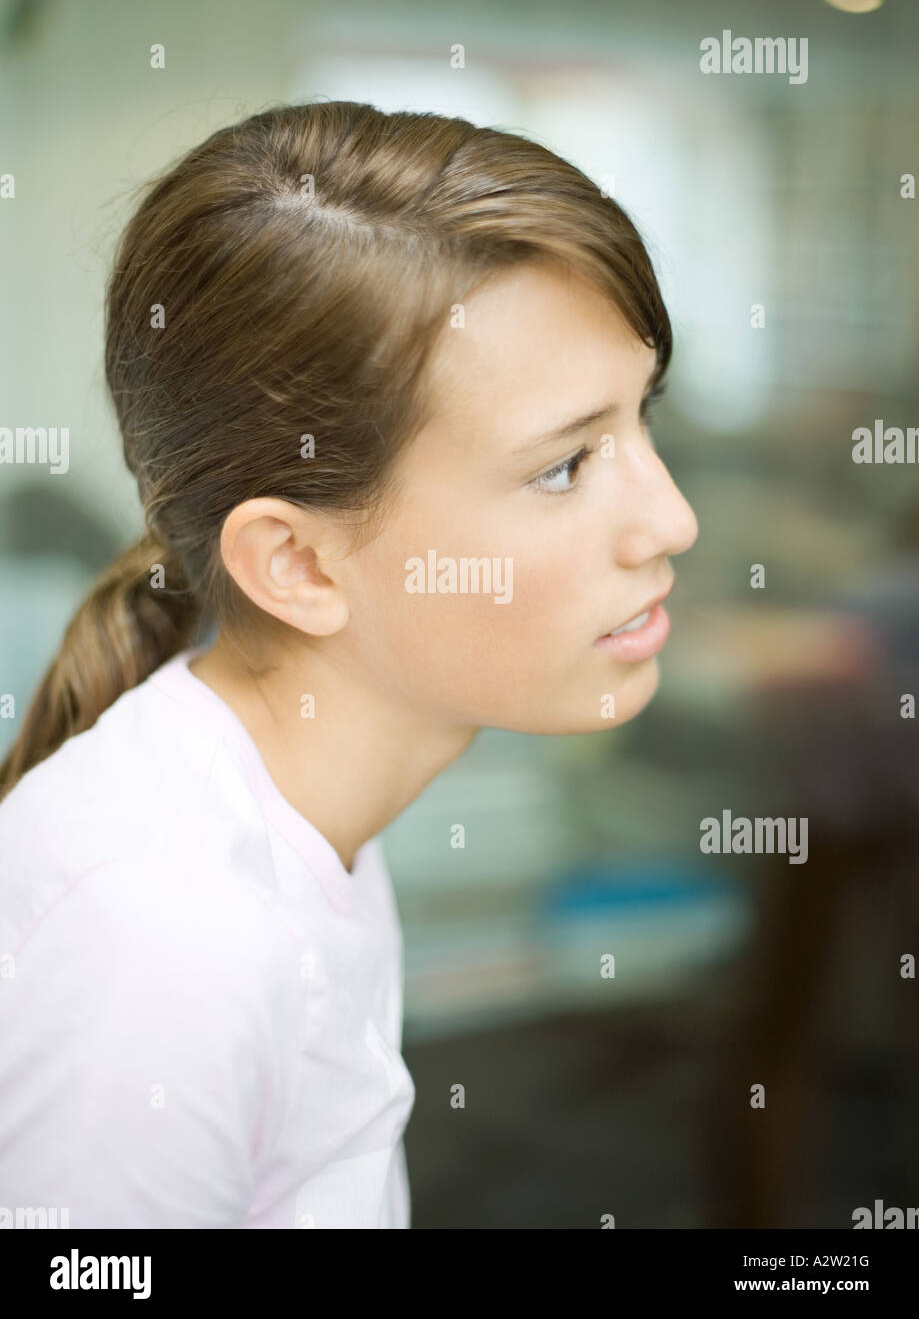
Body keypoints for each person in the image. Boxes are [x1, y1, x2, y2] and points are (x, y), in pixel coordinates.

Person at [0, 100, 698, 1229]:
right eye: (566, 466)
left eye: (640, 420)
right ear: (296, 563)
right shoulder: (162, 940)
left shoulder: (304, 833)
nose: (669, 519)